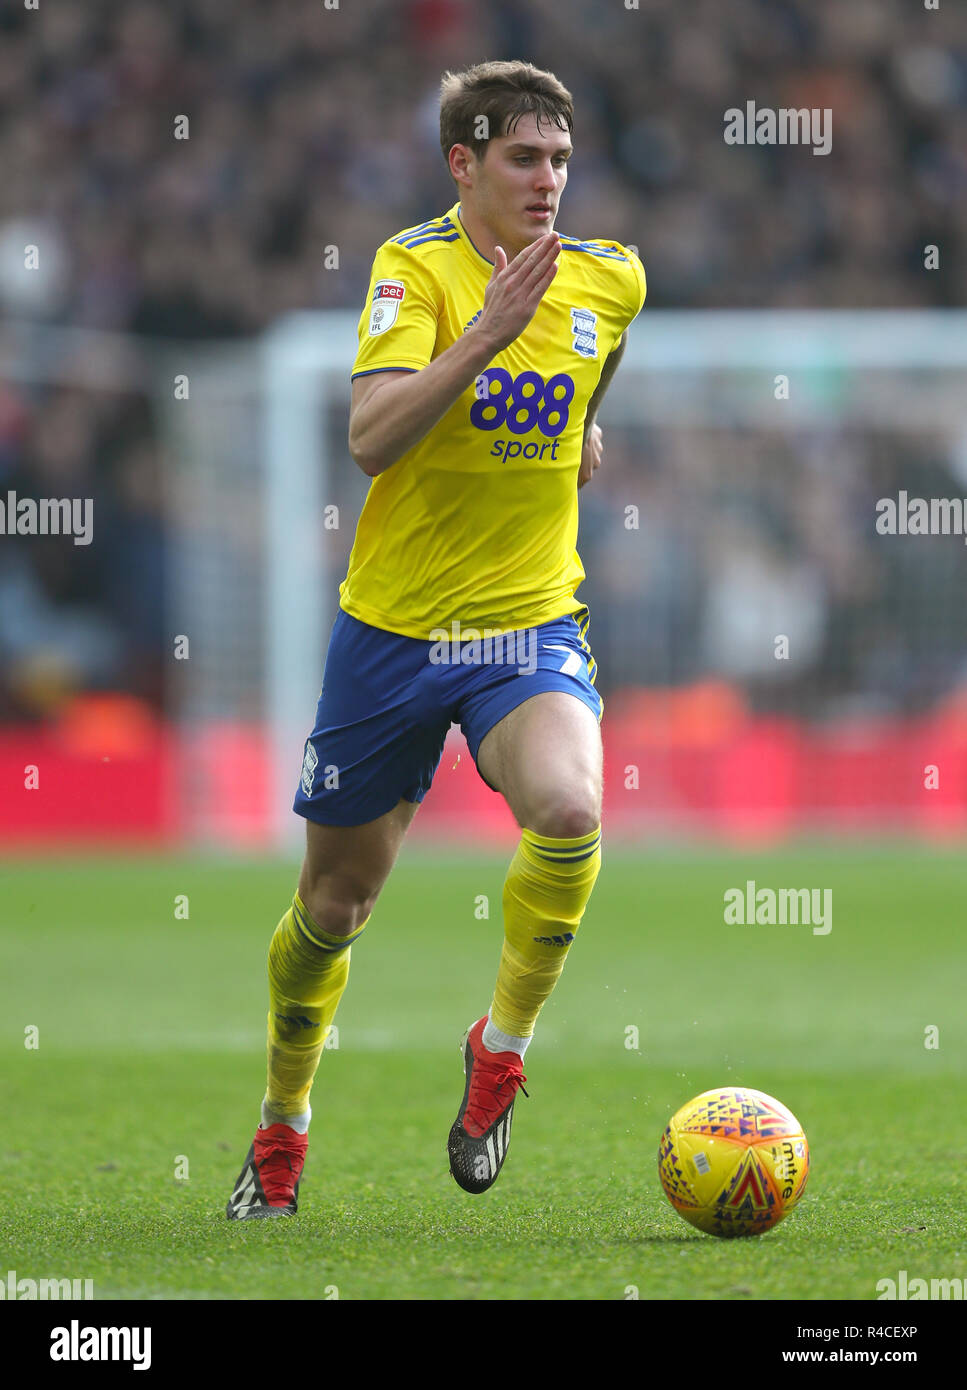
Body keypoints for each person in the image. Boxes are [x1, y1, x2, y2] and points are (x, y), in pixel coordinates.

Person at [227, 58, 645, 1218]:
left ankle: (498, 1052)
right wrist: (484, 339)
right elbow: (369, 435)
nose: (548, 179)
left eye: (560, 158)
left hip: (524, 621)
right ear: (463, 163)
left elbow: (591, 373)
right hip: (395, 634)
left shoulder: (612, 280)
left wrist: (583, 429)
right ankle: (283, 1124)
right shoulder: (415, 269)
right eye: (522, 157)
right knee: (333, 911)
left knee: (570, 808)